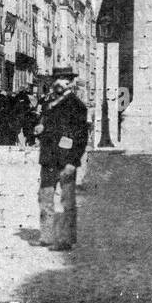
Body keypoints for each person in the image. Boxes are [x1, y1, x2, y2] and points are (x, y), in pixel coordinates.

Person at [34, 66, 89, 251]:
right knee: (45, 198)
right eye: (56, 78)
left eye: (64, 78)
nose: (58, 82)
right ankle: (47, 236)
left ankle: (66, 239)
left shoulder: (77, 106)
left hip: (66, 160)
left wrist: (73, 162)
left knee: (67, 201)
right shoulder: (49, 104)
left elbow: (81, 138)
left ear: (71, 83)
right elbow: (44, 125)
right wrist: (40, 129)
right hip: (49, 159)